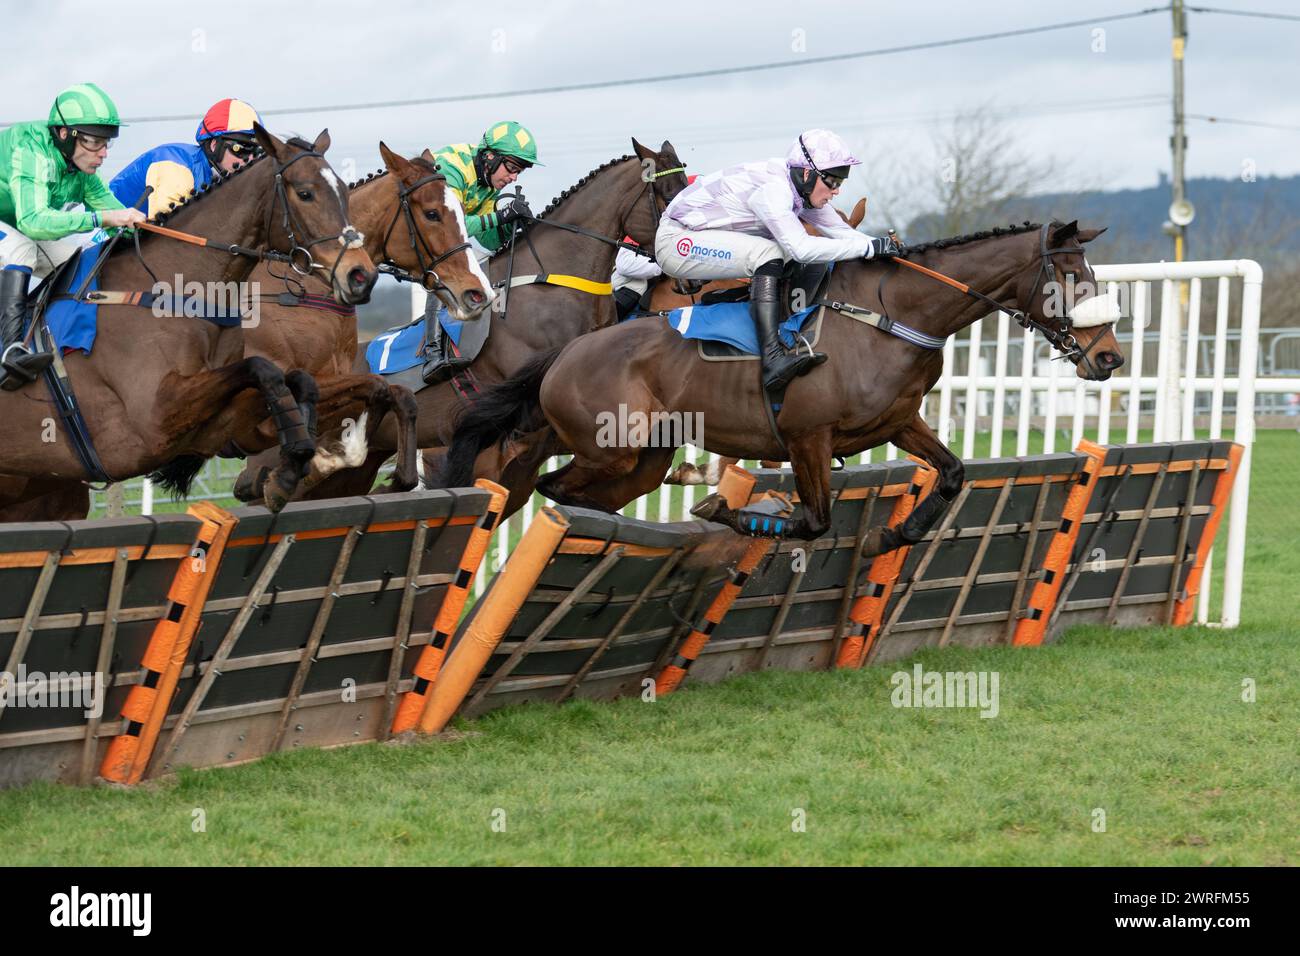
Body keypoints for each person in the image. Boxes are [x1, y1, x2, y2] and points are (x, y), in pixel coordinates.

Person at [654, 129, 899, 394]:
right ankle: (772, 361)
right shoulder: (774, 189)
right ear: (808, 173)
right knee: (771, 253)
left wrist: (887, 249)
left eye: (840, 182)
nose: (837, 190)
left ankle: (741, 307)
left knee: (783, 252)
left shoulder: (799, 188)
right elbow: (802, 249)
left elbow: (845, 234)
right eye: (832, 181)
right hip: (675, 242)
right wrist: (867, 247)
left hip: (701, 236)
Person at [0, 83, 145, 390]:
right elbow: (33, 222)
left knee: (74, 263)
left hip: (14, 223)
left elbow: (117, 218)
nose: (103, 153)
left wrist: (143, 226)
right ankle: (9, 354)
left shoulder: (82, 172)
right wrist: (101, 219)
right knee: (21, 250)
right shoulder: (31, 149)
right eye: (94, 142)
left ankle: (47, 339)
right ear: (65, 134)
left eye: (107, 143)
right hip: (21, 227)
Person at [421, 121, 541, 384]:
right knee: (448, 269)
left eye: (519, 172)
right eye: (512, 168)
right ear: (489, 157)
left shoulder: (486, 185)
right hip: (416, 233)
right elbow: (450, 226)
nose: (514, 177)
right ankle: (432, 352)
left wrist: (509, 226)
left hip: (435, 238)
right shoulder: (452, 168)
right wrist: (500, 216)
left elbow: (486, 238)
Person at [111, 98, 263, 219]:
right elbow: (167, 233)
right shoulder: (175, 164)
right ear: (214, 145)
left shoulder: (219, 176)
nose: (249, 159)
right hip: (104, 233)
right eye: (240, 149)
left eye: (256, 151)